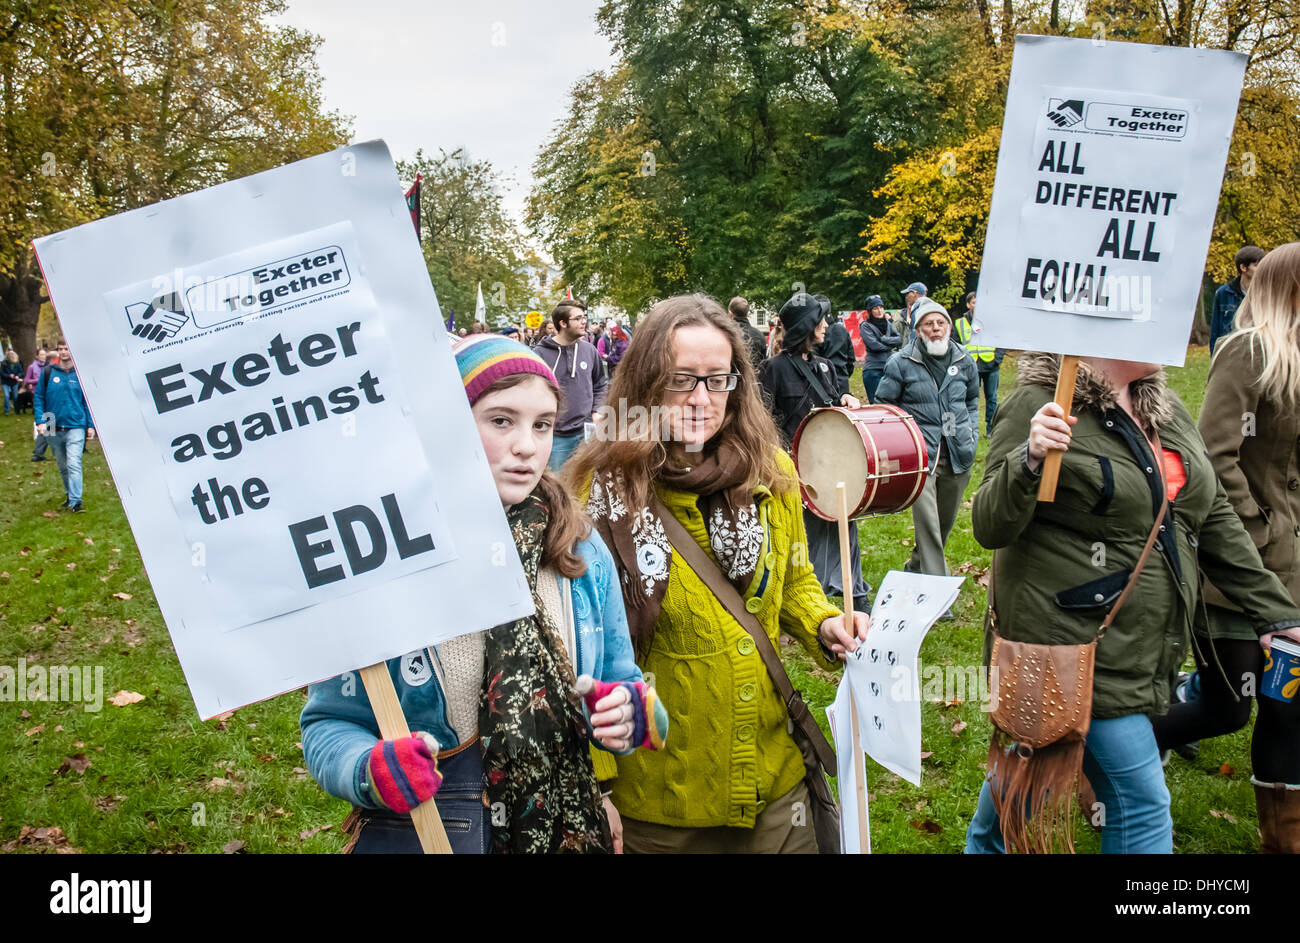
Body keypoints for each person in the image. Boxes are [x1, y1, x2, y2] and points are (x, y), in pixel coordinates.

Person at [301, 335, 666, 854]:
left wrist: (634, 714)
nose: (527, 445)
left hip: (568, 829)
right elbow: (330, 723)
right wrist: (368, 770)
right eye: (501, 420)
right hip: (431, 833)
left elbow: (622, 682)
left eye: (542, 425)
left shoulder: (580, 552)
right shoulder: (386, 559)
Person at [567, 293, 868, 853]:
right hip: (662, 802)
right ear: (646, 382)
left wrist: (825, 623)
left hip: (774, 782)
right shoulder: (595, 495)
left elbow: (796, 580)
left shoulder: (771, 470)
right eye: (683, 380)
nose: (702, 399)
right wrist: (599, 784)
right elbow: (580, 661)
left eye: (718, 379)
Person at [965, 351, 1300, 854]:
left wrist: (1274, 611)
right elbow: (991, 525)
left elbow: (1211, 520)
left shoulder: (1164, 407)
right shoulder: (1039, 402)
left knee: (1025, 781)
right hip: (1064, 645)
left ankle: (985, 846)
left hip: (1142, 646)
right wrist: (1029, 458)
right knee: (1140, 803)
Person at [1152, 242, 1300, 852]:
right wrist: (1256, 527)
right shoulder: (1246, 350)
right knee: (1227, 709)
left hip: (1293, 567)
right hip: (1237, 565)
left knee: (1288, 705)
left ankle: (1282, 839)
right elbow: (1213, 458)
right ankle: (1122, 745)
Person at [759, 291, 869, 602]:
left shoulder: (826, 367)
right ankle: (809, 599)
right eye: (819, 320)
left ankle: (856, 593)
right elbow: (763, 423)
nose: (825, 325)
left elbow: (833, 411)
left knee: (846, 528)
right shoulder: (773, 369)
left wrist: (846, 401)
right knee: (806, 539)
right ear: (807, 326)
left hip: (831, 465)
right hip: (795, 472)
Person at [875, 300, 978, 582]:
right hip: (921, 456)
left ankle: (917, 566)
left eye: (940, 323)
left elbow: (971, 401)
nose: (935, 329)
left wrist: (972, 434)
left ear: (948, 326)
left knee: (942, 524)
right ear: (918, 330)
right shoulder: (902, 363)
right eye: (928, 324)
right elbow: (884, 405)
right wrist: (905, 440)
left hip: (958, 452)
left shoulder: (964, 360)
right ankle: (937, 588)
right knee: (929, 524)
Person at [535, 299, 608, 471]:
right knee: (561, 486)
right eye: (578, 318)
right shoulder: (539, 354)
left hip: (587, 433)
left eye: (584, 317)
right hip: (556, 437)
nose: (584, 322)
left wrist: (597, 411)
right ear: (563, 323)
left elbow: (600, 384)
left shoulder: (590, 350)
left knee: (587, 484)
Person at [33, 342, 94, 511]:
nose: (64, 352)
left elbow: (87, 402)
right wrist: (40, 421)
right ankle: (69, 494)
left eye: (66, 349)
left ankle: (76, 501)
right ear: (58, 352)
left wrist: (90, 425)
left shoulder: (81, 374)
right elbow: (38, 398)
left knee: (74, 463)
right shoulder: (48, 372)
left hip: (76, 423)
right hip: (52, 422)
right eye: (61, 349)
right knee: (62, 464)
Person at [953, 292, 1004, 434]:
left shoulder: (992, 322)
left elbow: (1001, 342)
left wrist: (997, 360)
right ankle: (969, 428)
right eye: (974, 302)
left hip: (990, 365)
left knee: (992, 398)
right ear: (968, 304)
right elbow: (956, 345)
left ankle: (990, 429)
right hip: (971, 367)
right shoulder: (960, 323)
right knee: (970, 398)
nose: (977, 306)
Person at [1209, 245, 1264, 353]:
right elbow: (1215, 331)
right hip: (1230, 353)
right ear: (1243, 267)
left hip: (1257, 352)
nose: (1262, 269)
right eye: (1257, 265)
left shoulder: (1266, 293)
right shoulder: (1223, 293)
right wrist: (1215, 358)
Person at [858, 294, 901, 403]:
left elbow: (899, 339)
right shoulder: (866, 326)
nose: (879, 310)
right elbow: (874, 346)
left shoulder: (887, 323)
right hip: (873, 370)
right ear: (870, 311)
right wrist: (890, 345)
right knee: (877, 405)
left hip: (889, 369)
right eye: (875, 308)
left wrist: (883, 340)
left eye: (881, 307)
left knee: (891, 404)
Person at [814, 295, 856, 398]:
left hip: (822, 384)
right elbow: (851, 359)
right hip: (842, 384)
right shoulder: (842, 330)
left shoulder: (815, 333)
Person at [729, 296, 767, 369]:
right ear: (747, 314)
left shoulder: (726, 334)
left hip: (732, 378)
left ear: (731, 314)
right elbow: (763, 363)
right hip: (754, 377)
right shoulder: (759, 335)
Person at [2, 349, 21, 415]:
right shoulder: (3, 363)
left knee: (15, 396)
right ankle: (7, 411)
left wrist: (18, 376)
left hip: (14, 382)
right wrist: (9, 375)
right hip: (5, 382)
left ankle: (17, 410)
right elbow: (2, 373)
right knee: (7, 396)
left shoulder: (17, 363)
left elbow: (20, 372)